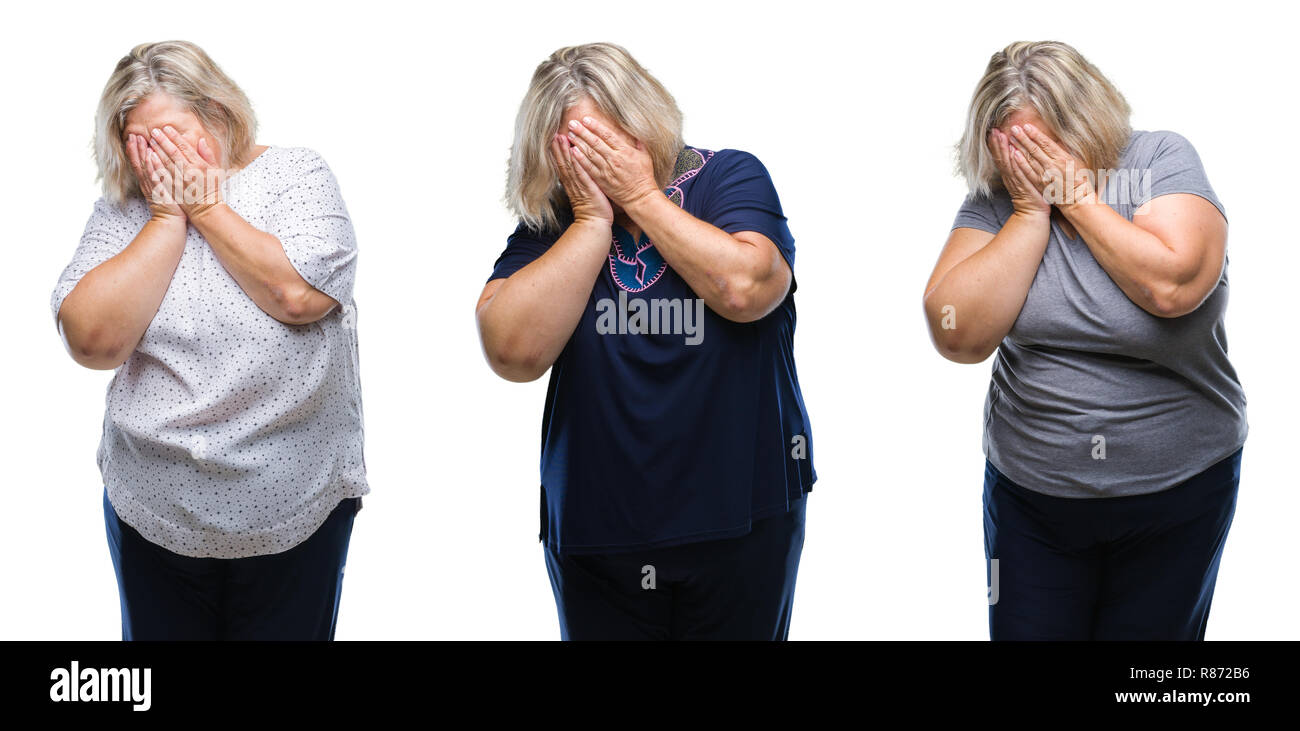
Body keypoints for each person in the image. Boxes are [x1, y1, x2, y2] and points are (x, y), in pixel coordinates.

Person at [477, 43, 815, 640]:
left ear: (645, 122)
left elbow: (746, 289)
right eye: (575, 151)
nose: (597, 164)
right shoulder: (553, 223)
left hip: (742, 514)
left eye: (609, 142)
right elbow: (511, 351)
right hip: (598, 528)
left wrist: (639, 198)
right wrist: (591, 222)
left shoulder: (729, 175)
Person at [924, 40, 1247, 640]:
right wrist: (1027, 215)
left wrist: (1078, 197)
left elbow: (1172, 286)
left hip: (1178, 490)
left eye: (1046, 144)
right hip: (1033, 497)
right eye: (1014, 148)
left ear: (1088, 120)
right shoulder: (999, 197)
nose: (1032, 162)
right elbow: (956, 332)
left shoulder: (1159, 160)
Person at [51, 40, 367, 640]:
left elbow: (299, 295)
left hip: (294, 501)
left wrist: (205, 207)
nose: (160, 159)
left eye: (172, 136)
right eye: (142, 143)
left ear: (218, 113)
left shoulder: (295, 175)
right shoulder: (124, 210)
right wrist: (168, 220)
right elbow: (91, 340)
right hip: (155, 506)